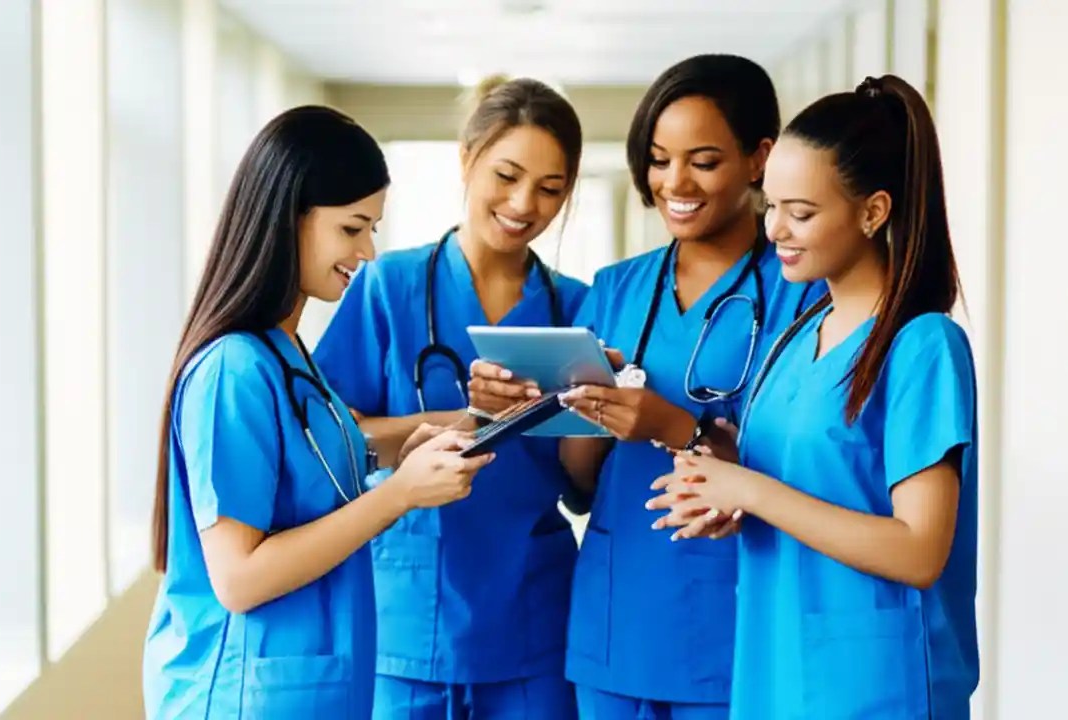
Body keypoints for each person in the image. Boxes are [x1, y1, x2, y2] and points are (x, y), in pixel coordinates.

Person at [473, 54, 823, 719]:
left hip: (736, 619)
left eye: (703, 160)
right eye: (659, 160)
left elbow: (803, 468)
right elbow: (579, 485)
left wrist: (672, 425)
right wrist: (572, 406)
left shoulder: (802, 296)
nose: (675, 182)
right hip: (616, 621)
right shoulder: (616, 289)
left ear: (760, 159)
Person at [141, 106, 494, 720]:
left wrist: (445, 437)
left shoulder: (289, 353)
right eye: (352, 228)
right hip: (243, 694)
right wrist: (401, 495)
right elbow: (239, 578)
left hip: (309, 686)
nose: (367, 251)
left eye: (372, 229)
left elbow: (323, 474)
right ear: (290, 217)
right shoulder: (235, 368)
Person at [649, 74, 980, 719]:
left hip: (877, 684)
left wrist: (751, 492)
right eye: (769, 205)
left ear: (872, 211)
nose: (775, 230)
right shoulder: (797, 335)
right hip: (777, 664)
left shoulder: (921, 345)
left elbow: (919, 550)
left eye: (801, 213)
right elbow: (802, 482)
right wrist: (724, 488)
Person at [313, 76, 588, 720]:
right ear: (466, 159)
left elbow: (583, 488)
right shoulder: (385, 285)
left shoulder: (576, 309)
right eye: (507, 175)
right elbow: (330, 441)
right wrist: (462, 419)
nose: (525, 204)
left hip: (533, 622)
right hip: (407, 621)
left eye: (551, 189)